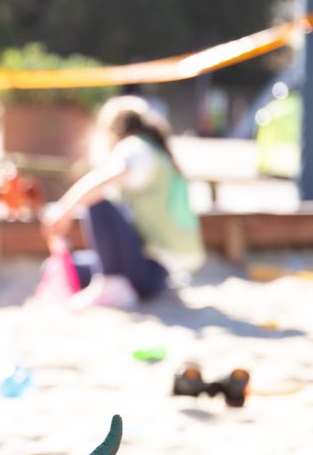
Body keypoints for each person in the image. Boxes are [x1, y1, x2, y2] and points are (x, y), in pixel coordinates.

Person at [42, 95, 204, 309]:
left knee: (97, 200)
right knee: (67, 268)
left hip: (151, 271)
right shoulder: (153, 151)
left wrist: (64, 210)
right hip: (155, 273)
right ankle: (112, 282)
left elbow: (99, 180)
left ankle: (111, 284)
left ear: (114, 132)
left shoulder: (135, 149)